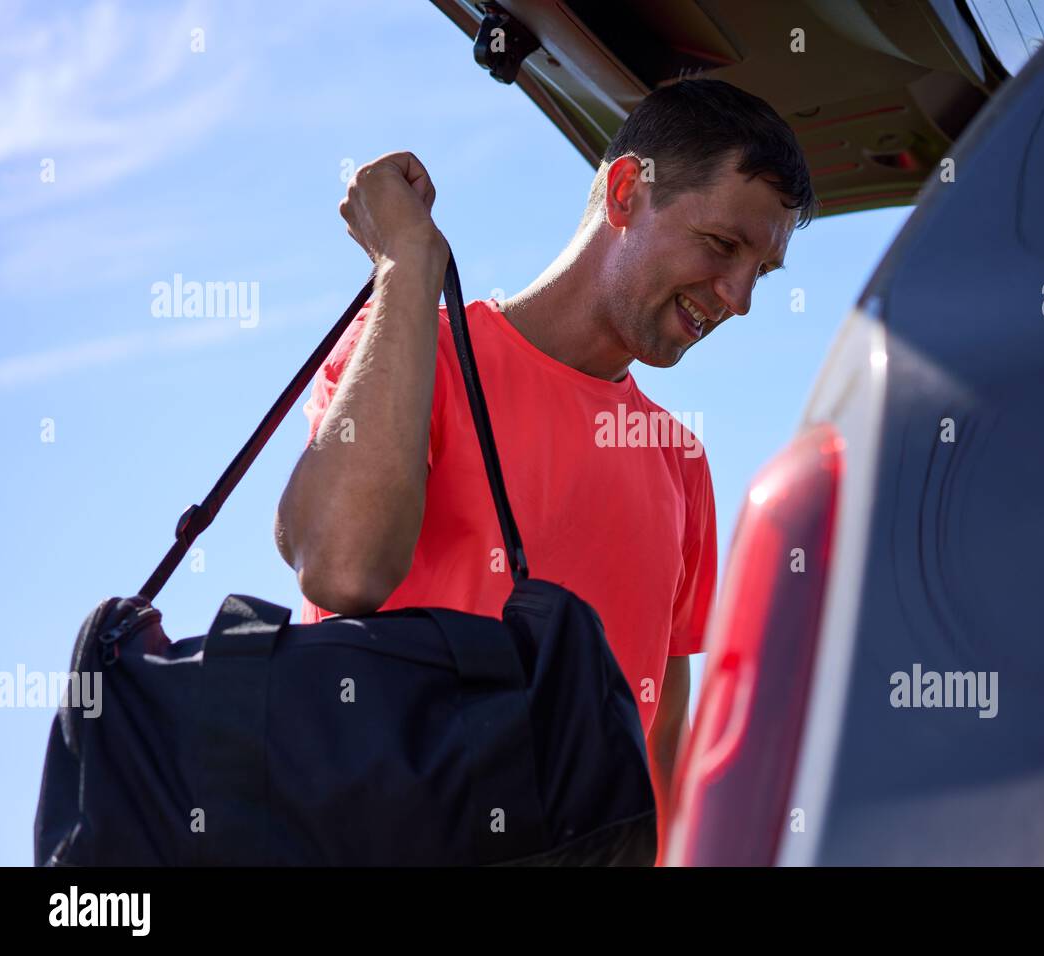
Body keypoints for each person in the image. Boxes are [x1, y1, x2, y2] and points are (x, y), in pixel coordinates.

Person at [273, 78, 816, 857]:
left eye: (760, 274)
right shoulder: (415, 355)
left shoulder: (679, 461)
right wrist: (407, 262)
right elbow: (341, 568)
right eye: (723, 246)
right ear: (627, 191)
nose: (737, 298)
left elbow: (658, 740)